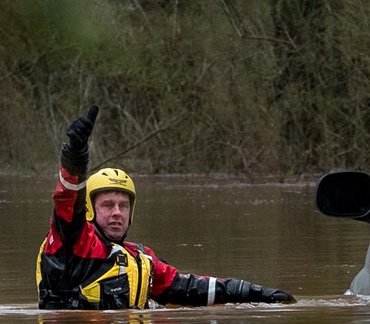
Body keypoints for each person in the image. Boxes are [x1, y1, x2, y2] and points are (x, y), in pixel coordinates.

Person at [36, 105, 295, 310]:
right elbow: (68, 199)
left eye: (123, 206)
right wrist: (75, 158)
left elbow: (190, 288)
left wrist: (256, 292)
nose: (117, 213)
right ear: (90, 209)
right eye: (107, 205)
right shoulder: (74, 242)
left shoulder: (142, 260)